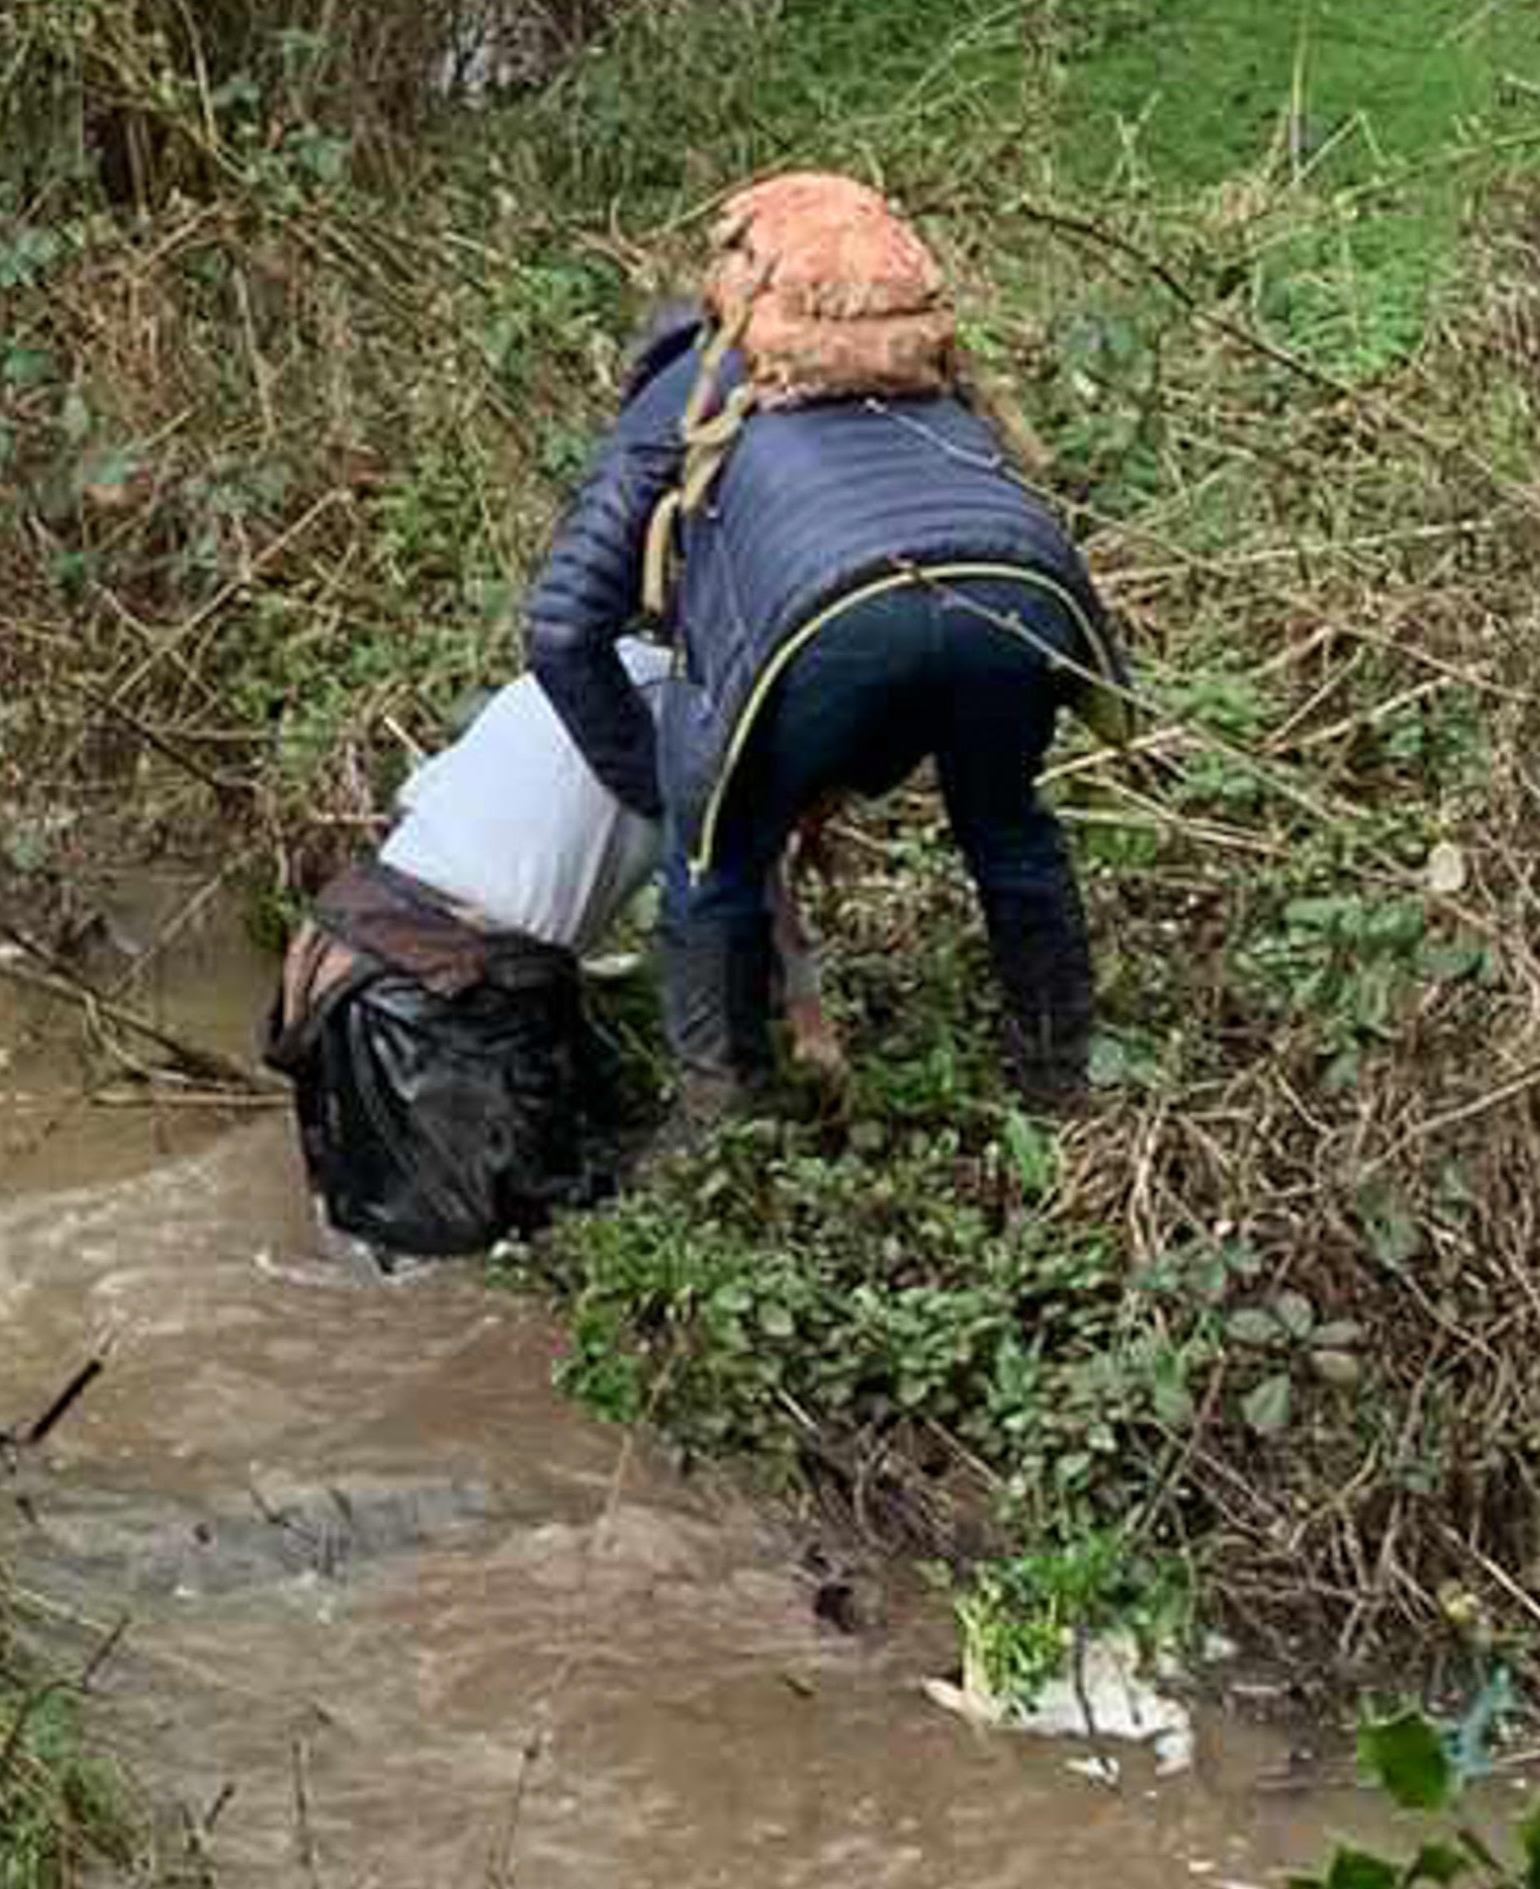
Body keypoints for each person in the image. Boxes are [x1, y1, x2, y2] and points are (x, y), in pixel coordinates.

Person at [522, 176, 1126, 1144]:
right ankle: (1057, 1091)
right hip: (1019, 586)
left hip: (834, 614)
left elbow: (560, 622)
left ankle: (718, 1128)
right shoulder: (931, 371)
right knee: (1007, 827)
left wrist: (659, 794)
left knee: (710, 859)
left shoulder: (689, 385)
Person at [267, 646, 671, 1259]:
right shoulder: (704, 723)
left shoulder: (565, 676)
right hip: (429, 1003)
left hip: (336, 946)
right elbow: (725, 915)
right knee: (457, 1279)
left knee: (358, 1256)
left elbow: (418, 799)